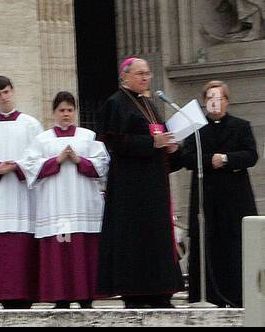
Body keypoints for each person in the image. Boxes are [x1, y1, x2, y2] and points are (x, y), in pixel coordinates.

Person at [96, 56, 184, 307]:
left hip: (153, 185)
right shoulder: (116, 103)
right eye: (140, 73)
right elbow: (114, 143)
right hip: (130, 188)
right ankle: (136, 294)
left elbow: (158, 136)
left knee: (156, 238)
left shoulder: (148, 103)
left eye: (147, 73)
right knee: (134, 239)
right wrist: (151, 143)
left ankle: (160, 292)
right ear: (125, 76)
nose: (146, 78)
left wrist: (170, 147)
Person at [171, 80, 259, 306]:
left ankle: (237, 296)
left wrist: (227, 159)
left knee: (234, 246)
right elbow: (186, 158)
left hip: (235, 198)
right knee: (207, 244)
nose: (214, 103)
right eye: (210, 98)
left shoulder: (241, 126)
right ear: (204, 102)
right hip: (206, 198)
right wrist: (209, 160)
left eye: (218, 98)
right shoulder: (196, 130)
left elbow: (251, 155)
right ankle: (207, 295)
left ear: (226, 102)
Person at [22, 91, 108, 309]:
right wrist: (57, 160)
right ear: (54, 113)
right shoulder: (42, 139)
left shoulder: (88, 136)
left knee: (82, 252)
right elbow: (30, 167)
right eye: (61, 110)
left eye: (70, 110)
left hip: (82, 204)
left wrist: (79, 160)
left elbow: (102, 165)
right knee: (61, 251)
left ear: (75, 112)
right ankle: (61, 298)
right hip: (56, 208)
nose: (66, 114)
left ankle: (85, 297)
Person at [0, 76, 42, 308]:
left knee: (23, 251)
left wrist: (19, 166)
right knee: (1, 252)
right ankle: (3, 296)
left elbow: (38, 156)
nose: (4, 97)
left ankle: (27, 296)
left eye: (6, 92)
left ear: (13, 91)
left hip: (23, 196)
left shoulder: (31, 124)